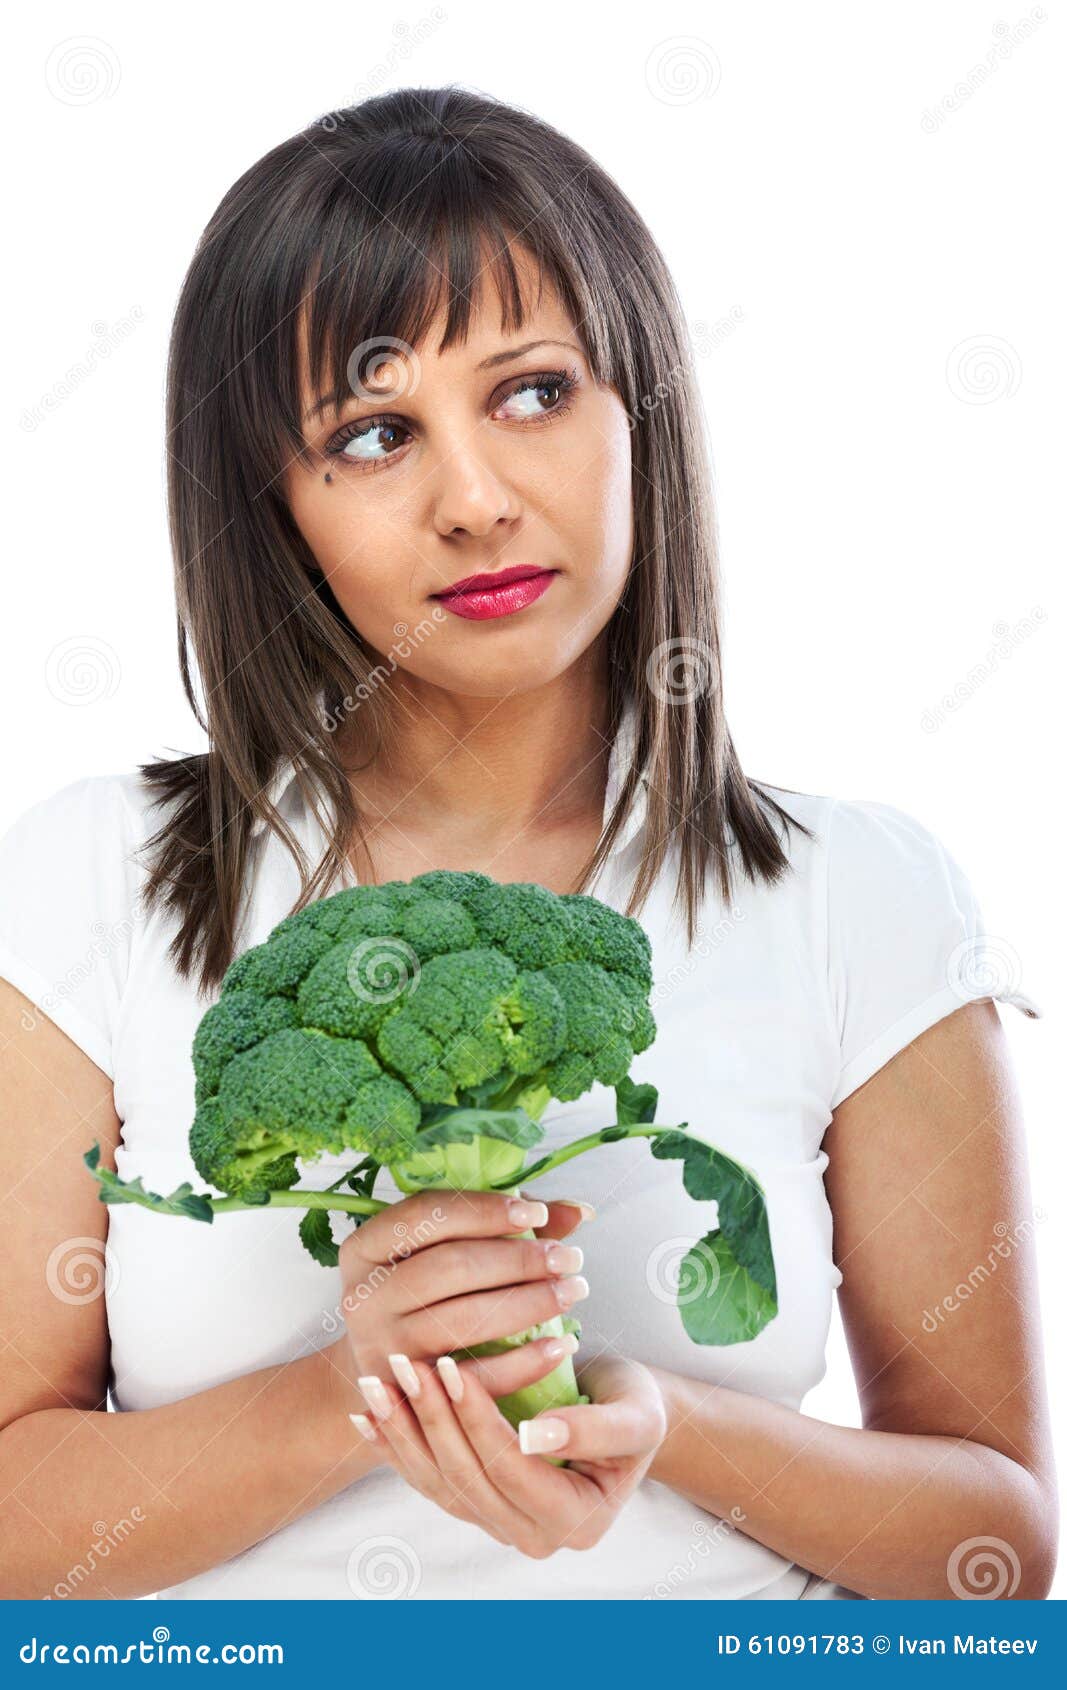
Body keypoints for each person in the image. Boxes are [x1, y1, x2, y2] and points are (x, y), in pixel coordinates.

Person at [0, 86, 1055, 1602]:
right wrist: (361, 1392)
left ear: (645, 411)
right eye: (373, 434)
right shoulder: (90, 880)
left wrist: (662, 1417)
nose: (478, 500)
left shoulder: (860, 897)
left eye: (534, 392)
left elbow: (997, 1548)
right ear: (271, 507)